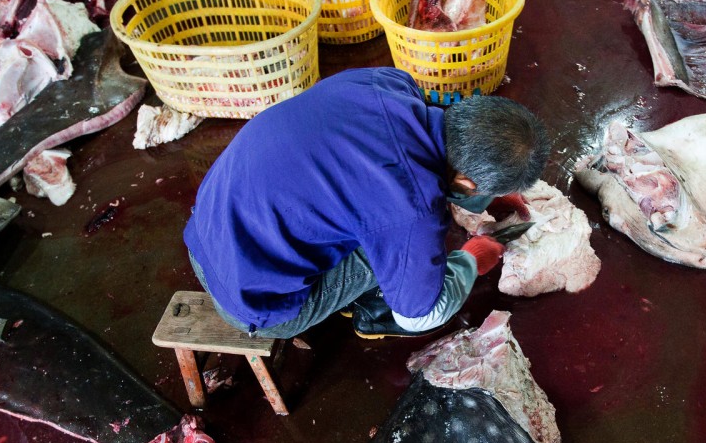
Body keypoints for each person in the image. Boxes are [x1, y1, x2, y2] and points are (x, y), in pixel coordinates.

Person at [184, 66, 551, 339]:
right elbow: (421, 315)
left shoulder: (386, 82)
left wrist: (486, 185)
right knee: (407, 258)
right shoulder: (413, 209)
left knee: (361, 208)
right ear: (468, 181)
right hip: (251, 301)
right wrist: (471, 259)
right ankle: (371, 311)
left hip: (208, 226)